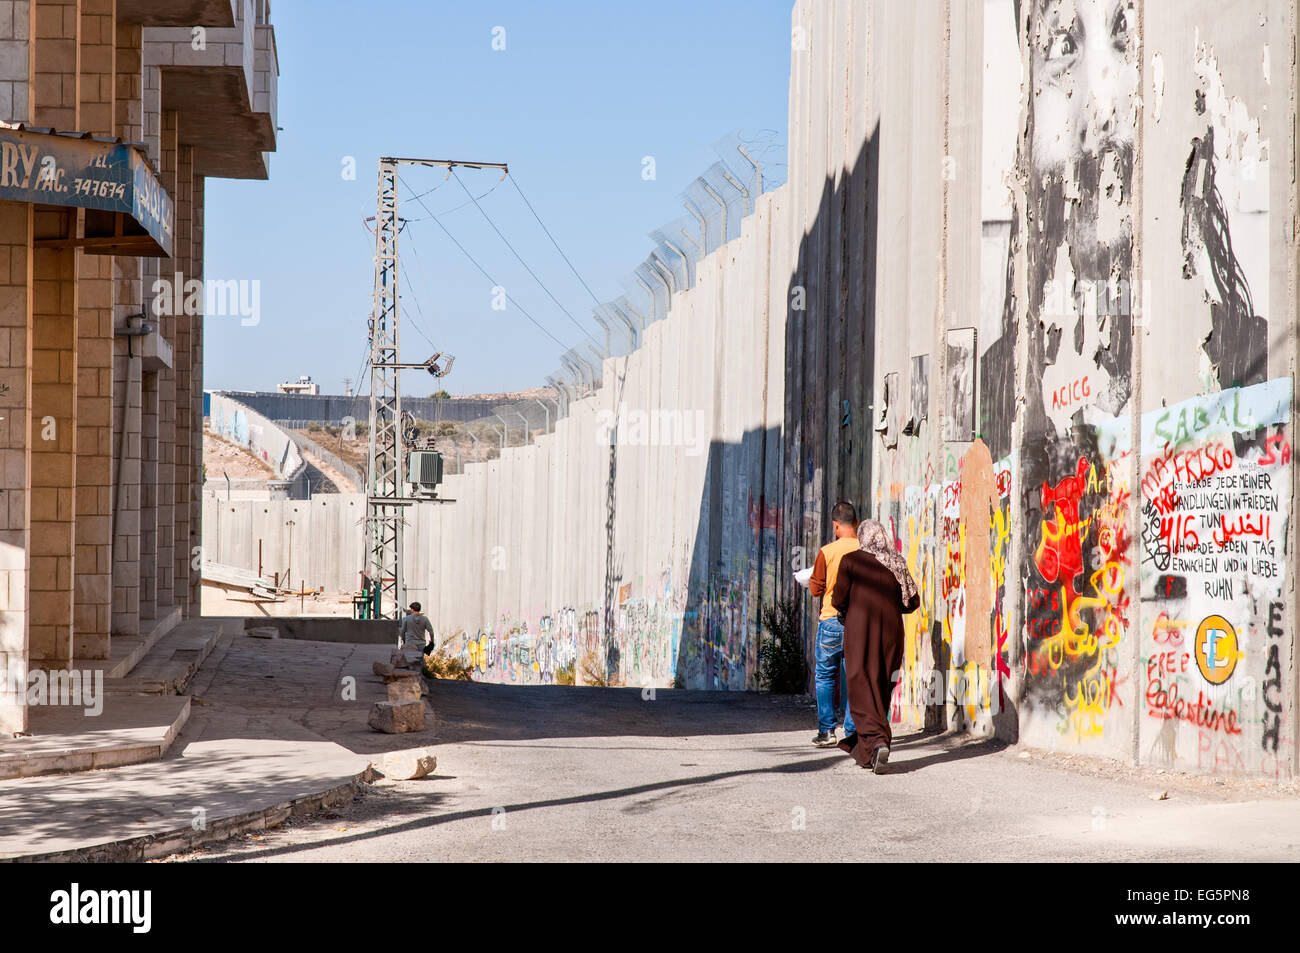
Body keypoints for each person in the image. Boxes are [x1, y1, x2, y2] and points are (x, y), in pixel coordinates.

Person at [832, 519, 920, 774]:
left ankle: (877, 741)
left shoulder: (851, 561)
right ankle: (873, 746)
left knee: (861, 683)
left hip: (861, 633)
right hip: (892, 633)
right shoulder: (897, 562)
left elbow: (839, 599)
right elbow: (912, 601)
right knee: (881, 684)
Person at [807, 500, 862, 747]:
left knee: (825, 676)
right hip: (857, 622)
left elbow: (816, 588)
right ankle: (851, 730)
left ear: (835, 525)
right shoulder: (865, 549)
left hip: (830, 619)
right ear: (857, 523)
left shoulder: (827, 552)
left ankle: (827, 730)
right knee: (855, 676)